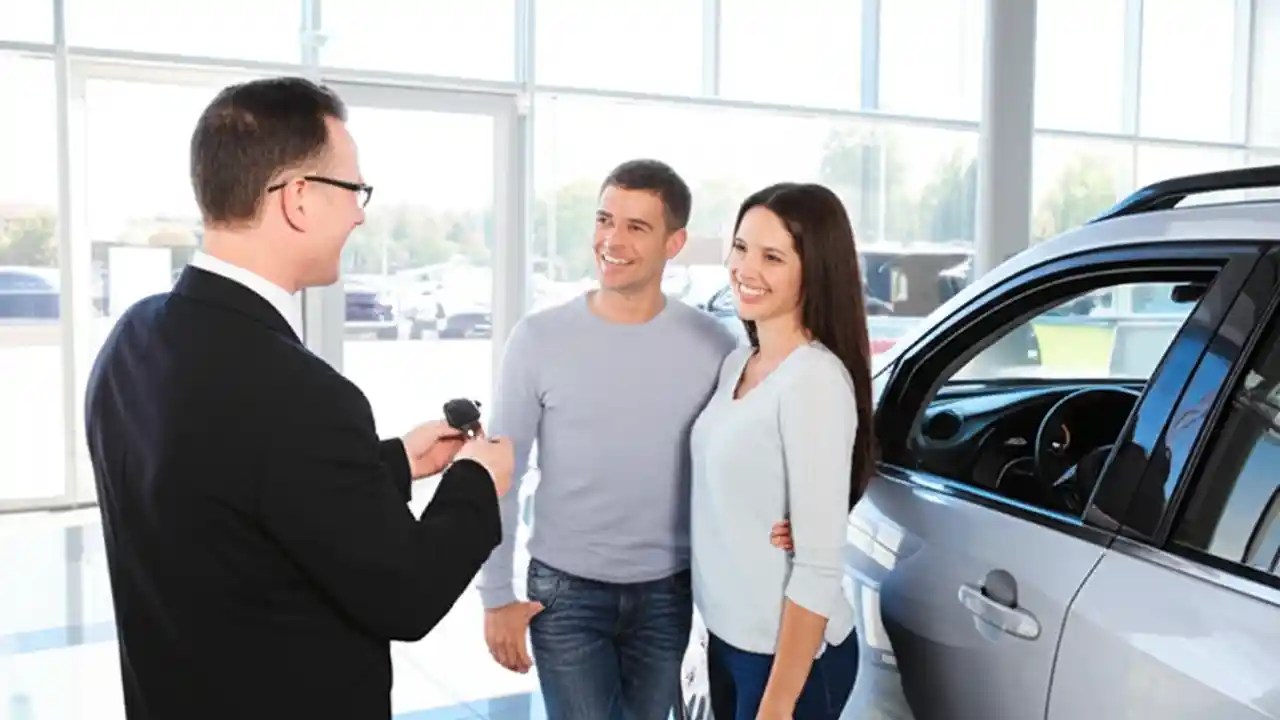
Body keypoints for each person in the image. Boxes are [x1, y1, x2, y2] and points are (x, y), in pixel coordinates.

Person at [84, 77, 514, 720]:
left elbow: (234, 493)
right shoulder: (303, 394)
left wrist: (392, 462)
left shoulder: (135, 336)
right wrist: (478, 483)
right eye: (354, 190)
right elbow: (407, 593)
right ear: (300, 199)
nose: (362, 213)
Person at [476, 159, 741, 719]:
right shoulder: (538, 339)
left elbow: (734, 467)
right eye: (604, 219)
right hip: (565, 593)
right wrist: (495, 594)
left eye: (636, 227)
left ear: (675, 242)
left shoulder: (714, 347)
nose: (611, 240)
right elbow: (502, 470)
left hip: (669, 594)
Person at [689, 182, 876, 720]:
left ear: (813, 270)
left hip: (789, 661)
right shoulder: (738, 364)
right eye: (742, 247)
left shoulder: (813, 380)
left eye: (772, 256)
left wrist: (776, 707)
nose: (746, 268)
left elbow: (818, 569)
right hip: (730, 642)